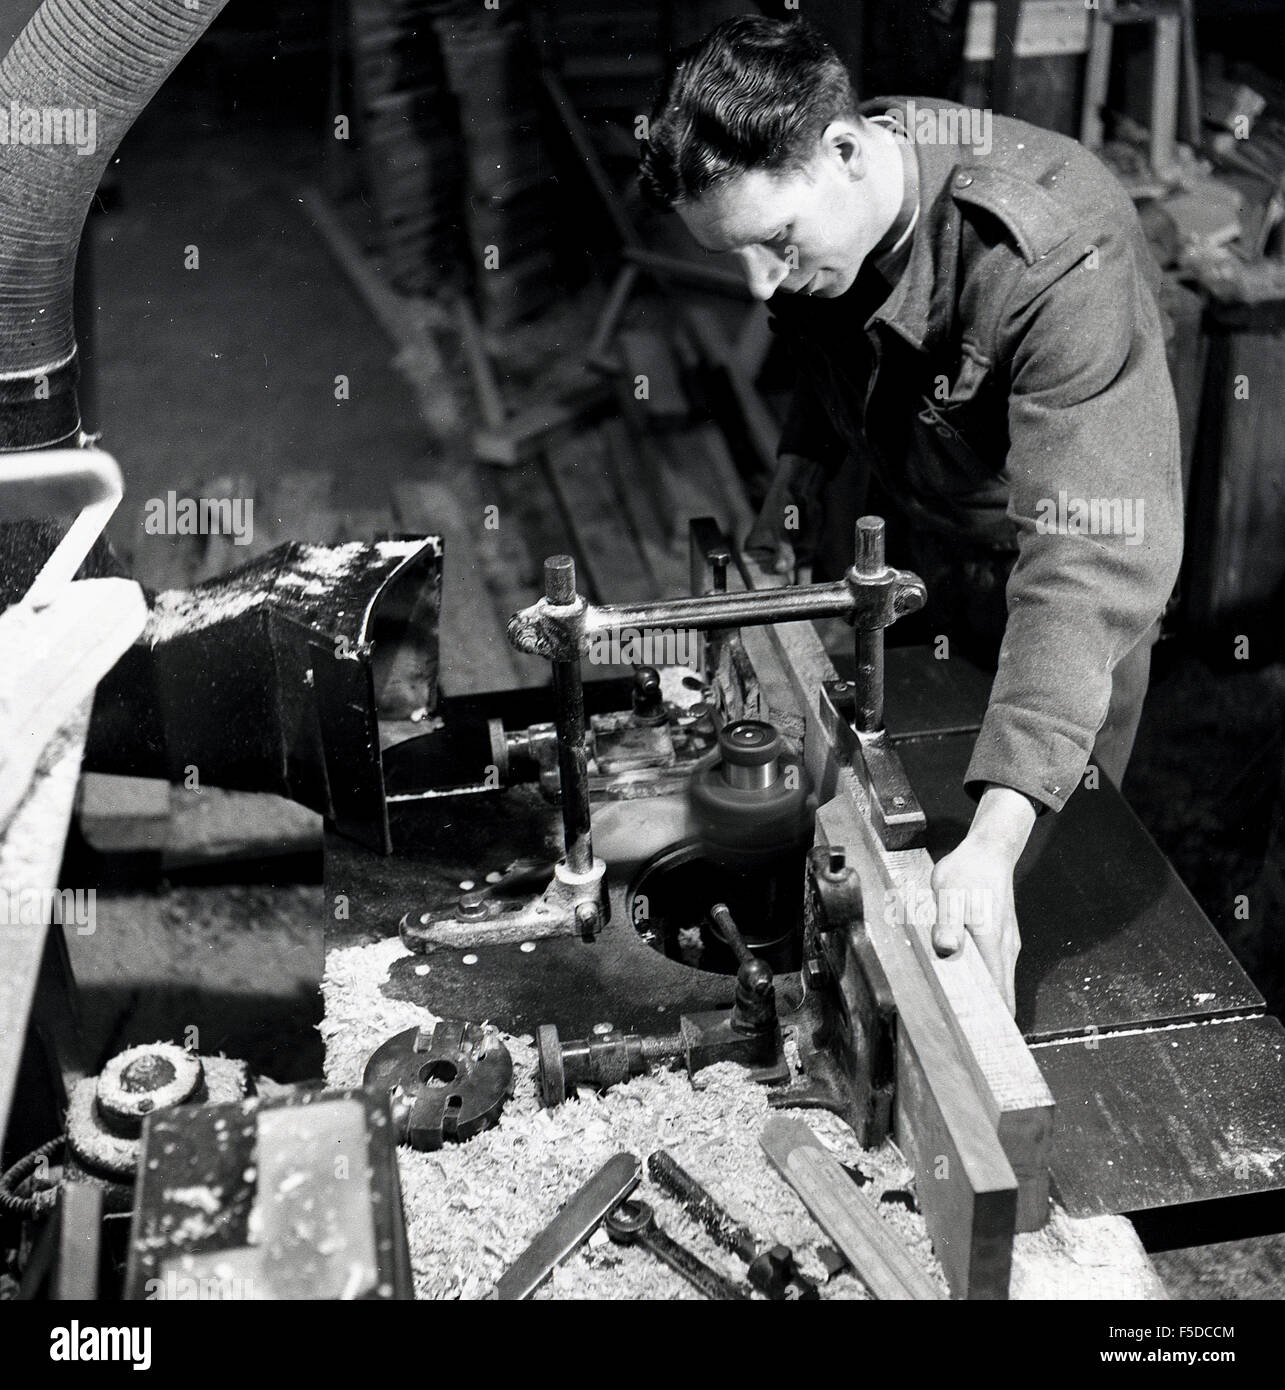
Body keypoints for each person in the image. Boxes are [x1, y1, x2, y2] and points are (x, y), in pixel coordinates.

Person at [638, 16, 1184, 1011]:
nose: (758, 284)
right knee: (872, 843)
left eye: (773, 245)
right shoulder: (828, 205)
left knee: (1021, 917)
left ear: (844, 152)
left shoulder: (1054, 254)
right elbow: (829, 384)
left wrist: (999, 830)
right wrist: (773, 555)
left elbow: (1091, 558)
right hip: (917, 543)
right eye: (736, 256)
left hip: (1064, 583)